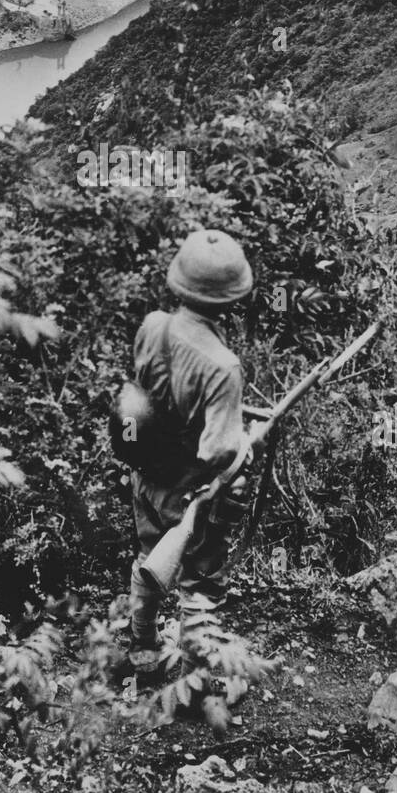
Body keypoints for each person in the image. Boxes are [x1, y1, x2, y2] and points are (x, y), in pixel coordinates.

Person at [126, 229, 254, 677]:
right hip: (188, 493)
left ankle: (142, 650)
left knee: (148, 562)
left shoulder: (152, 326)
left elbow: (149, 396)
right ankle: (197, 681)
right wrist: (246, 446)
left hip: (146, 477)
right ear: (230, 301)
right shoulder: (223, 366)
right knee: (198, 581)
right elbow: (217, 450)